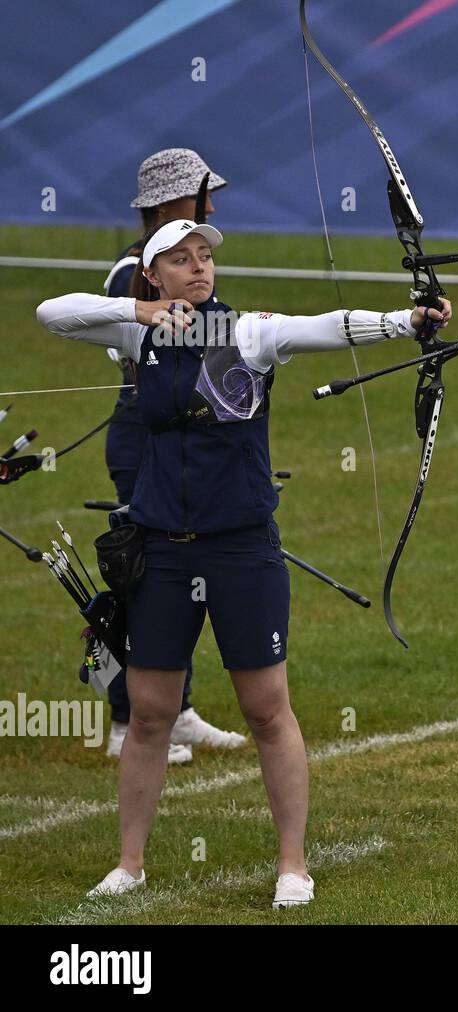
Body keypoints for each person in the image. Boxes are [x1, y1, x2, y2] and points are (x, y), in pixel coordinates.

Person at [35, 219, 452, 908]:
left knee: (265, 708)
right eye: (180, 259)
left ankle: (293, 865)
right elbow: (54, 314)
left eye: (204, 257)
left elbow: (329, 325)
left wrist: (407, 321)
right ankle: (129, 865)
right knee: (147, 712)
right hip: (162, 550)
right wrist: (137, 312)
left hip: (241, 549)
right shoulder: (137, 334)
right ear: (153, 275)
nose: (198, 268)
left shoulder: (250, 333)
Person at [103, 149, 246, 765]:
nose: (210, 207)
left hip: (182, 436)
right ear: (168, 205)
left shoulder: (179, 269)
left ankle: (176, 709)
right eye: (199, 196)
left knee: (180, 577)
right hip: (143, 437)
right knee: (139, 574)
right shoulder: (131, 275)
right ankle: (121, 716)